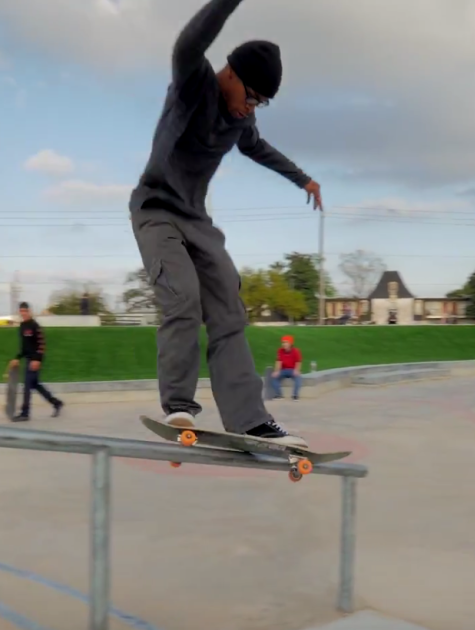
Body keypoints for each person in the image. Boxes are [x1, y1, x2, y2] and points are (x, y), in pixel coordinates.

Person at [128, 0, 322, 447]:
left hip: (197, 221)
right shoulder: (192, 84)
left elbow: (259, 147)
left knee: (229, 309)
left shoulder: (242, 120)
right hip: (156, 211)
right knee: (183, 297)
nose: (249, 109)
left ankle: (249, 419)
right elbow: (189, 42)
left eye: (261, 104)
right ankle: (179, 407)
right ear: (231, 73)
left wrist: (303, 179)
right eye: (251, 96)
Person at [5, 302, 63, 422]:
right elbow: (24, 347)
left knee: (27, 386)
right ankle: (56, 403)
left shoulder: (35, 326)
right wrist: (17, 357)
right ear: (19, 312)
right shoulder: (22, 326)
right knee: (34, 384)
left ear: (29, 311)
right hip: (28, 360)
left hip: (35, 361)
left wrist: (37, 360)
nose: (23, 313)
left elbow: (42, 344)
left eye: (25, 311)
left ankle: (25, 413)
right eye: (21, 311)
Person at [268, 335, 303, 400]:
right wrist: (276, 371)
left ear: (290, 343)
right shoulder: (280, 351)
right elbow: (278, 361)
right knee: (274, 378)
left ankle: (295, 395)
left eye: (286, 342)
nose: (284, 344)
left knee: (298, 378)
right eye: (283, 342)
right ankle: (279, 395)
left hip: (292, 369)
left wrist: (296, 370)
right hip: (284, 370)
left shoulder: (295, 351)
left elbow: (298, 362)